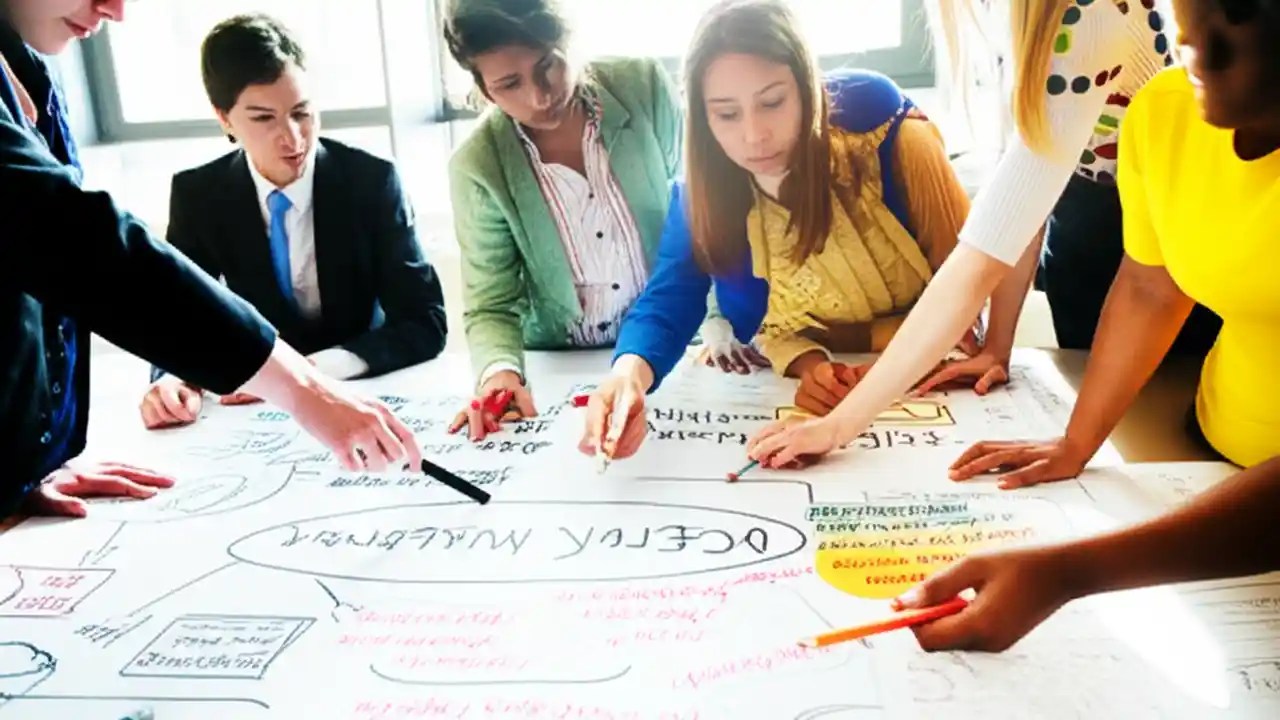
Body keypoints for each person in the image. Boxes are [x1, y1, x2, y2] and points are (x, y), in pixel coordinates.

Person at [894, 0, 1280, 652]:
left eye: (1240, 16)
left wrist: (1068, 572)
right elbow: (1150, 288)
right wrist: (1078, 440)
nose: (1192, 45)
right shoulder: (1164, 110)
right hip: (1211, 455)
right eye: (1190, 16)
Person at [746, 0, 1223, 469]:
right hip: (1085, 235)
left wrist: (838, 425)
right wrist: (997, 344)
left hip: (1177, 254)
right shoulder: (1003, 15)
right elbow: (1021, 192)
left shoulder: (1089, 18)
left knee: (1172, 446)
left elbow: (981, 256)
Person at [1, 0, 419, 521]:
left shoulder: (30, 67)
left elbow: (33, 267)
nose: (115, 10)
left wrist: (25, 468)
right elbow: (75, 240)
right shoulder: (201, 191)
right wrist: (305, 390)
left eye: (302, 112)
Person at [581, 0, 1031, 463]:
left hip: (929, 384)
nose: (754, 135)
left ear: (807, 88)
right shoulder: (700, 194)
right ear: (701, 117)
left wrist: (853, 359)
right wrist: (628, 375)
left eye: (772, 102)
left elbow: (968, 289)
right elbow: (668, 300)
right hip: (793, 397)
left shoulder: (888, 137)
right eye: (726, 114)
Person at [138, 14, 448, 430]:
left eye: (301, 112)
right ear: (224, 118)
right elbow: (177, 317)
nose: (293, 139)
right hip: (252, 418)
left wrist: (314, 371)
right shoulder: (199, 194)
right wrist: (173, 378)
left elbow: (424, 321)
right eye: (264, 118)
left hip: (364, 393)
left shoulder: (371, 181)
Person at [443, 0, 694, 441]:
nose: (539, 95)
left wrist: (717, 329)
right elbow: (491, 304)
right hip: (561, 363)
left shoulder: (644, 87)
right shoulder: (478, 164)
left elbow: (699, 218)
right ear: (483, 90)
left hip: (667, 347)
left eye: (547, 65)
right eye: (508, 84)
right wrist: (500, 374)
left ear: (567, 40)